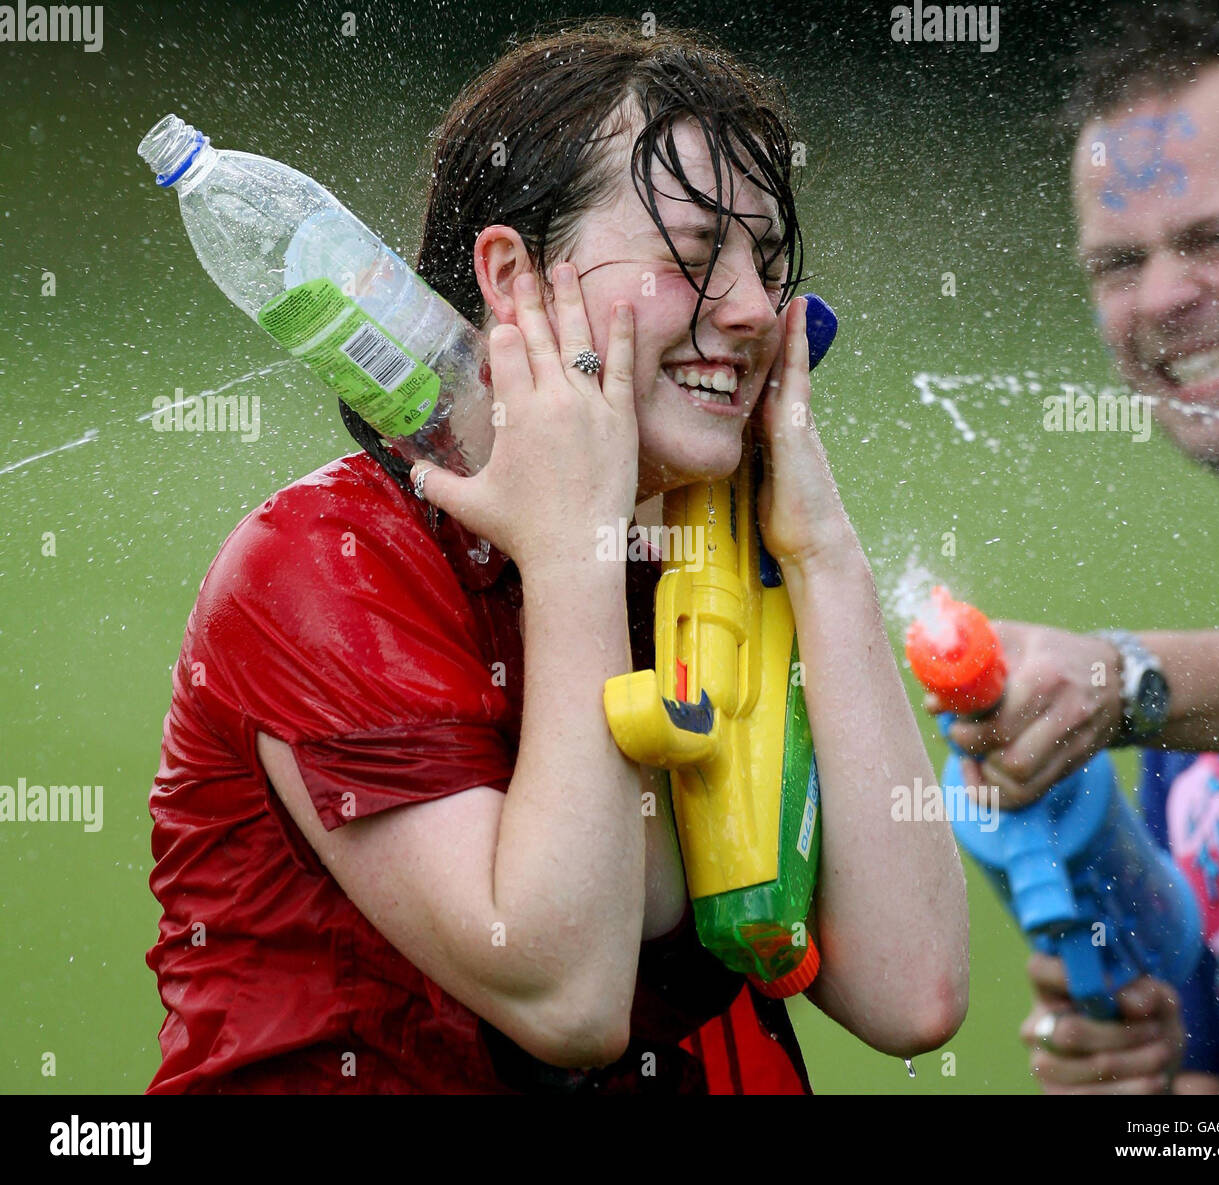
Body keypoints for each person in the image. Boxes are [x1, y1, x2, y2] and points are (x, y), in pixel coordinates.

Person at [145, 20, 968, 1094]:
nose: (758, 312)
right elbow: (565, 996)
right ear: (510, 275)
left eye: (766, 263)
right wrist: (575, 549)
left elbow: (912, 994)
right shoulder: (320, 566)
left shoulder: (694, 537)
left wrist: (819, 552)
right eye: (691, 253)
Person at [932, 6, 1219, 1094]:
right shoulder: (1198, 745)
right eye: (1117, 262)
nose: (1162, 299)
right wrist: (1153, 1091)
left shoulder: (1168, 693)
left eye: (1216, 237)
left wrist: (1126, 677)